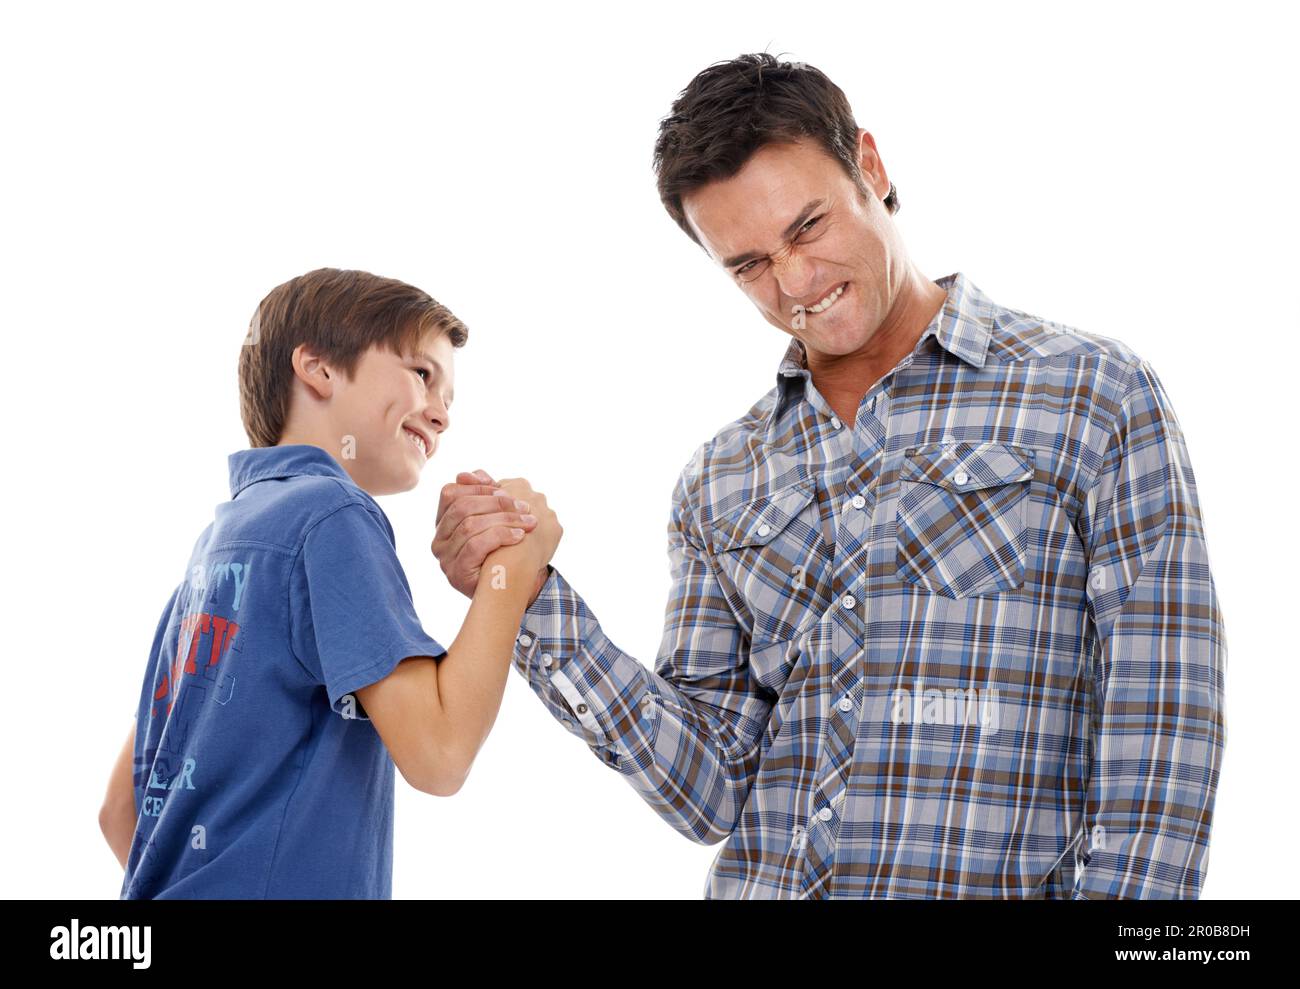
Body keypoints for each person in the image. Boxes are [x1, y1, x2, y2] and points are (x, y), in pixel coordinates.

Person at [433, 53, 1227, 899]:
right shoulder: (721, 477)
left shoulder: (1091, 394)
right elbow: (712, 786)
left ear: (872, 170)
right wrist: (527, 595)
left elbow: (1165, 726)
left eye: (807, 227)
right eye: (748, 265)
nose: (795, 283)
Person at [98, 266, 559, 898]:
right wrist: (513, 566)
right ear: (317, 369)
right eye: (423, 374)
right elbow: (440, 753)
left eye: (449, 400)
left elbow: (119, 814)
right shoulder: (333, 517)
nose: (442, 415)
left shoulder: (216, 553)